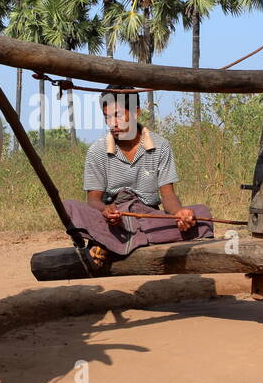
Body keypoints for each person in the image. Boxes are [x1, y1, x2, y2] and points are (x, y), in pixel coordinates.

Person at [63, 85, 214, 266]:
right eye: (107, 117)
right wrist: (105, 211)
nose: (112, 123)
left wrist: (179, 214)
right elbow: (93, 200)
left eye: (118, 115)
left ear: (136, 112)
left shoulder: (160, 146)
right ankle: (125, 239)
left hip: (149, 218)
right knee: (69, 207)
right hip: (114, 223)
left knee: (202, 215)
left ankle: (107, 244)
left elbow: (168, 196)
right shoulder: (97, 150)